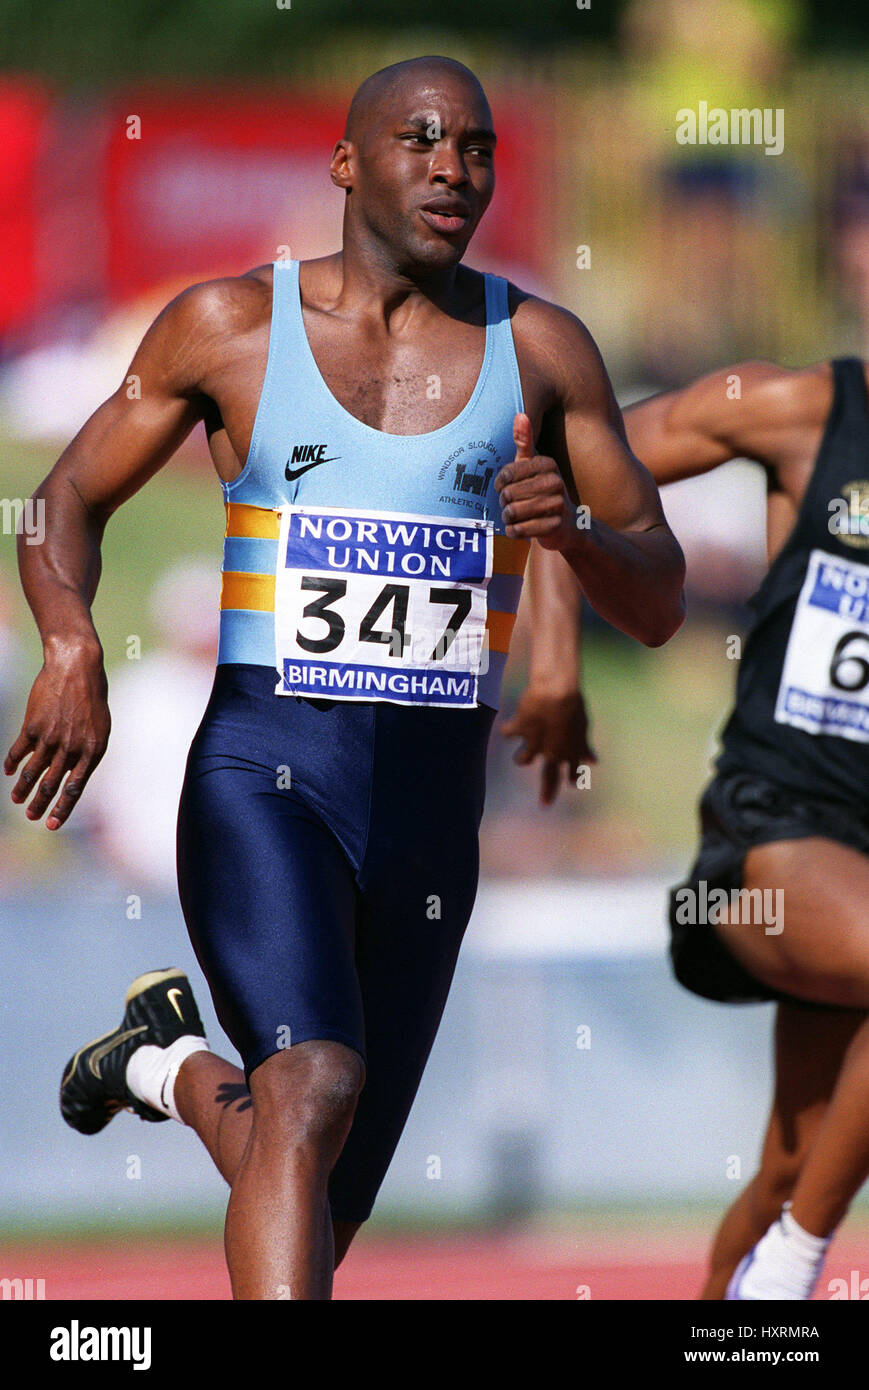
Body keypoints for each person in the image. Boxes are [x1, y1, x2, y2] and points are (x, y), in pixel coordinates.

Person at [5, 56, 684, 1300]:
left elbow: (661, 596)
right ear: (344, 163)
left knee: (313, 1177)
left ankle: (159, 1067)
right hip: (266, 777)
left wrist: (576, 534)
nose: (450, 167)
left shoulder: (539, 350)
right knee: (313, 1087)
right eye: (419, 139)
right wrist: (67, 641)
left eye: (475, 147)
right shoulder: (232, 328)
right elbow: (61, 501)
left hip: (430, 814)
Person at [515, 357, 869, 1299]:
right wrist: (556, 666)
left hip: (860, 879)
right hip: (769, 837)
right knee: (796, 1205)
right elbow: (557, 467)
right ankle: (788, 1271)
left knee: (792, 1165)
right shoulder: (804, 411)